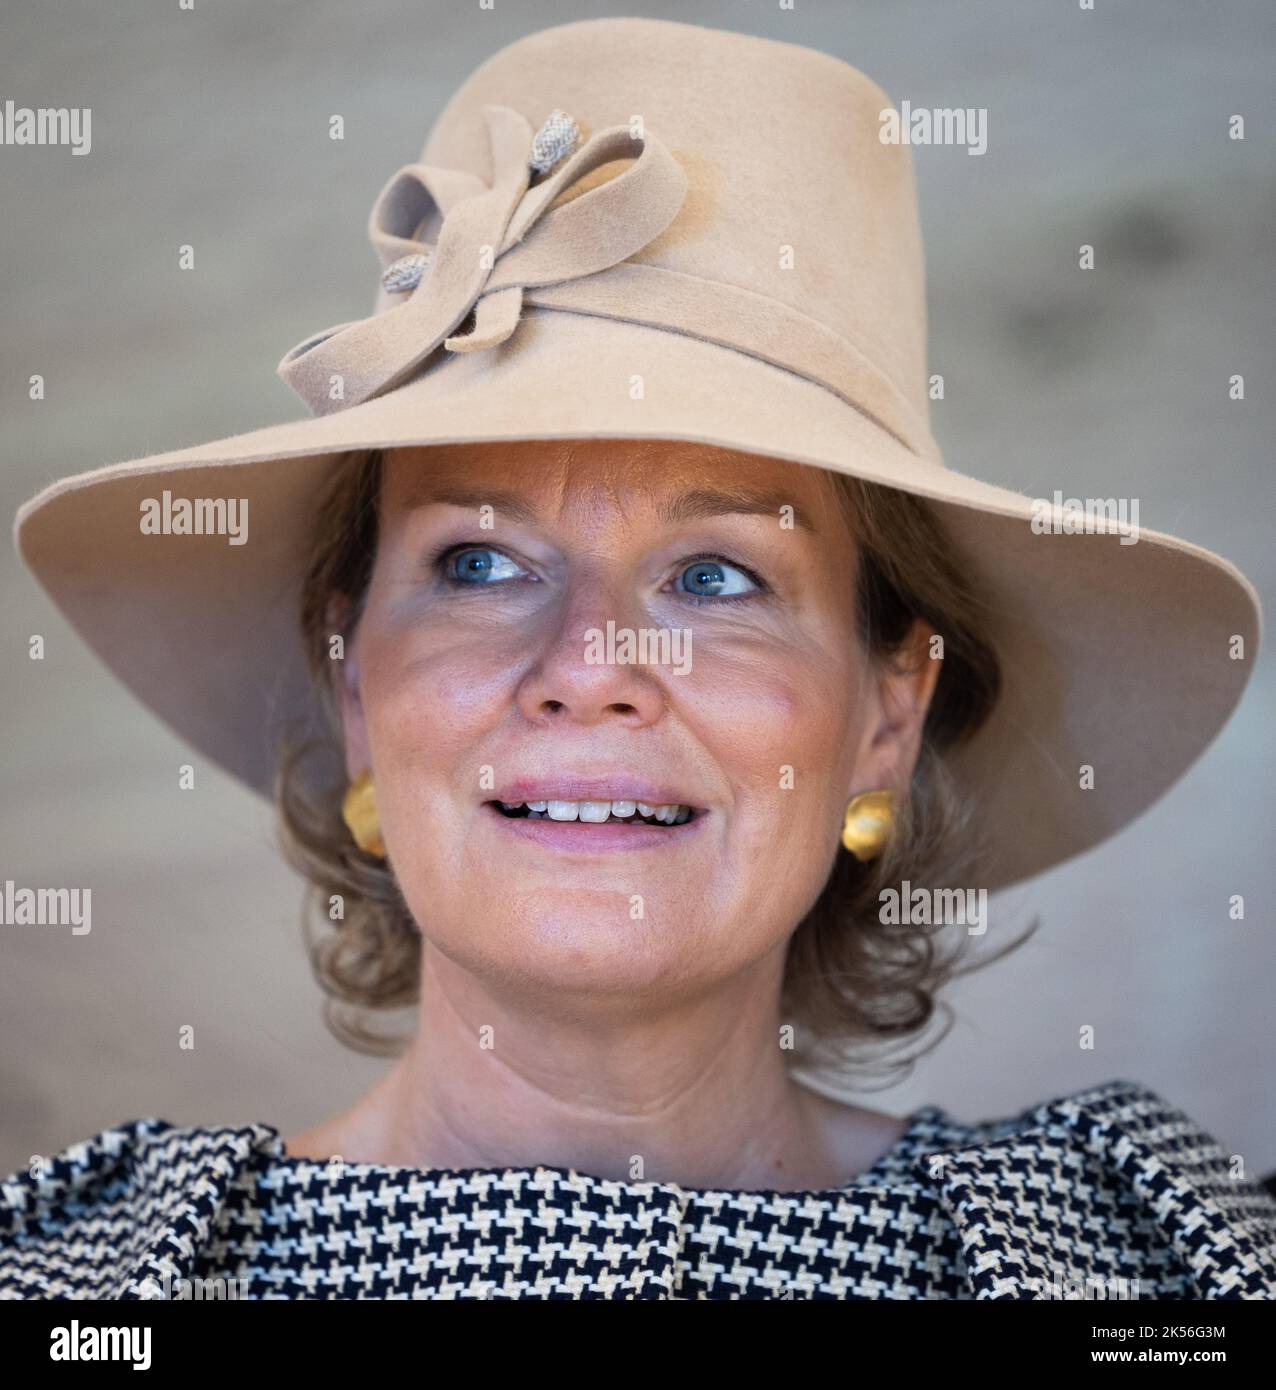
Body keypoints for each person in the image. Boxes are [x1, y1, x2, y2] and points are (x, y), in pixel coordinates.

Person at [4, 16, 1273, 1300]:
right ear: (355, 685)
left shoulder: (1159, 1270)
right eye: (478, 563)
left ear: (889, 713)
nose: (590, 665)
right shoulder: (83, 1292)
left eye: (717, 576)